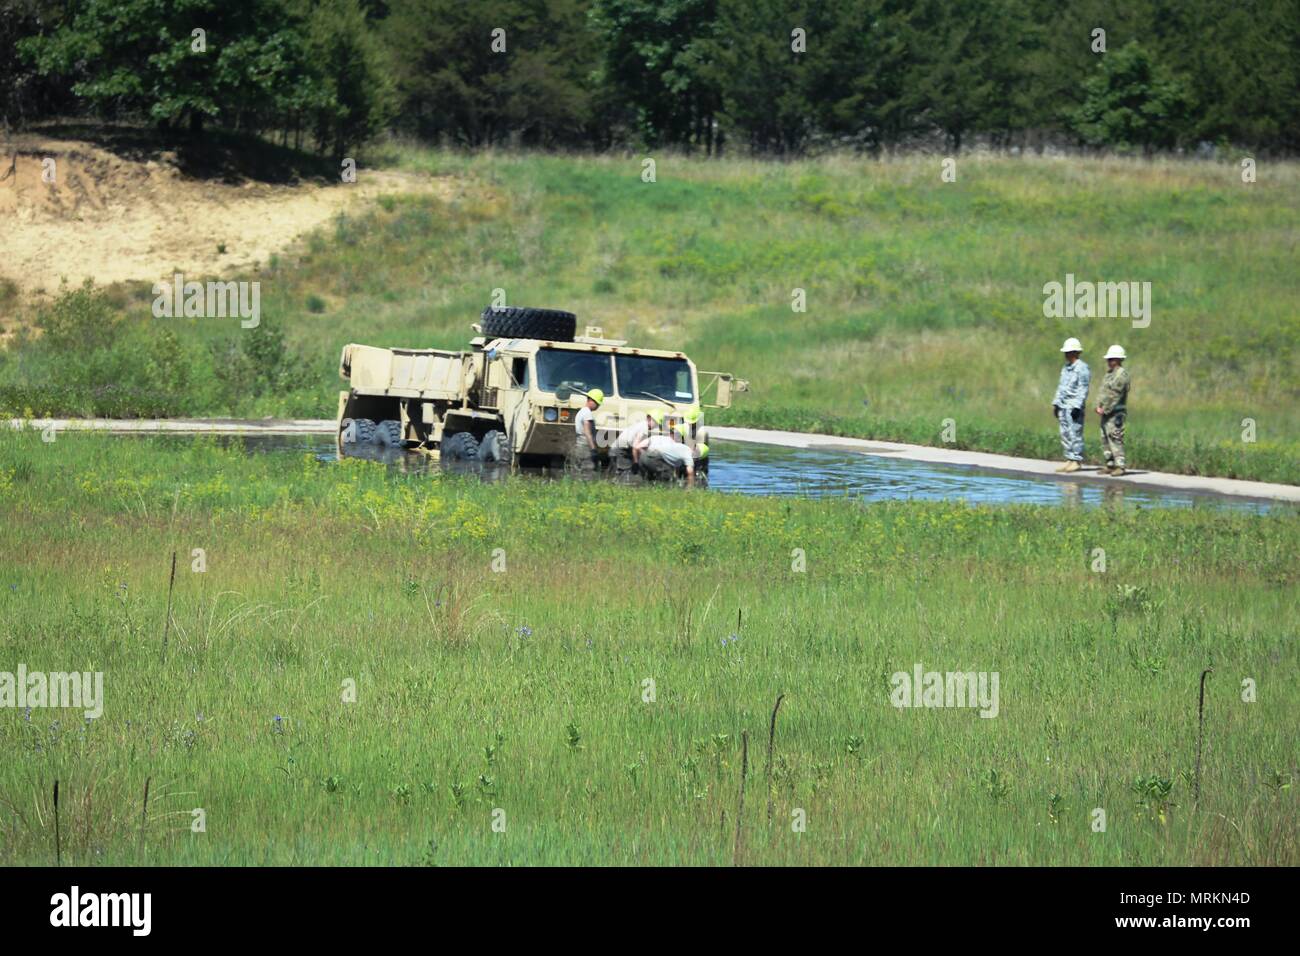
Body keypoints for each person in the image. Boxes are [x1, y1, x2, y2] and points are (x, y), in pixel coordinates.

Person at [1052, 337, 1090, 473]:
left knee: (1075, 433)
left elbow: (1083, 389)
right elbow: (1061, 387)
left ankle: (1077, 460)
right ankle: (1069, 458)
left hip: (1074, 406)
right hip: (1063, 405)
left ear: (1075, 352)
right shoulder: (1066, 368)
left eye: (1068, 352)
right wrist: (1056, 404)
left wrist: (1077, 406)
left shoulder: (1082, 368)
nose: (1066, 355)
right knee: (1065, 433)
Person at [1095, 344, 1130, 476]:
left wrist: (1106, 409)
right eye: (1108, 359)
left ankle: (1120, 466)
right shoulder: (1109, 374)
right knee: (1104, 438)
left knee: (1115, 437)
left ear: (1119, 359)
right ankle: (1110, 464)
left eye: (1112, 359)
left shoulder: (1122, 375)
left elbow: (1115, 395)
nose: (1109, 362)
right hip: (1105, 412)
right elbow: (1102, 392)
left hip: (1116, 413)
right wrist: (1097, 405)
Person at [611, 408, 662, 474]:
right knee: (626, 474)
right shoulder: (644, 428)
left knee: (619, 472)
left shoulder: (640, 424)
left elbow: (637, 447)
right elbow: (635, 447)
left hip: (616, 449)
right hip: (620, 451)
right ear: (649, 419)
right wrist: (636, 462)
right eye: (656, 423)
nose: (656, 427)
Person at [569, 388, 604, 475]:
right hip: (585, 445)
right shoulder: (587, 413)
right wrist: (593, 449)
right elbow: (588, 433)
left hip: (580, 444)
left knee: (579, 470)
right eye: (597, 403)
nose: (598, 406)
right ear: (590, 400)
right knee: (588, 471)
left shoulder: (581, 412)